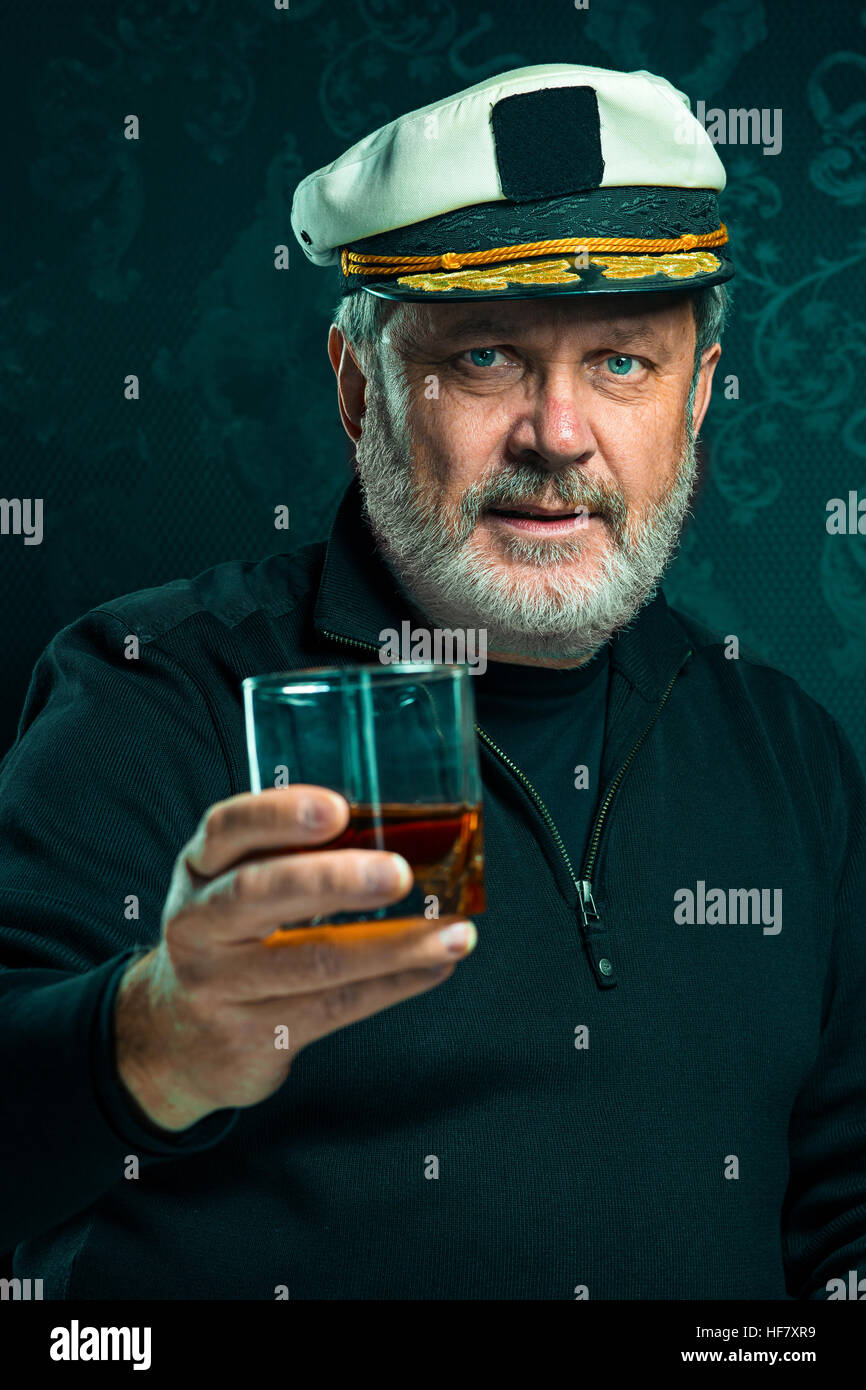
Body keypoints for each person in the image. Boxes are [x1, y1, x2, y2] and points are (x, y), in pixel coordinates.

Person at [1, 63, 863, 1301]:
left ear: (701, 395)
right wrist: (155, 1036)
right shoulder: (154, 691)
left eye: (621, 362)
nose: (556, 433)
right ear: (360, 392)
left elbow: (843, 1213)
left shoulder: (786, 753)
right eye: (488, 357)